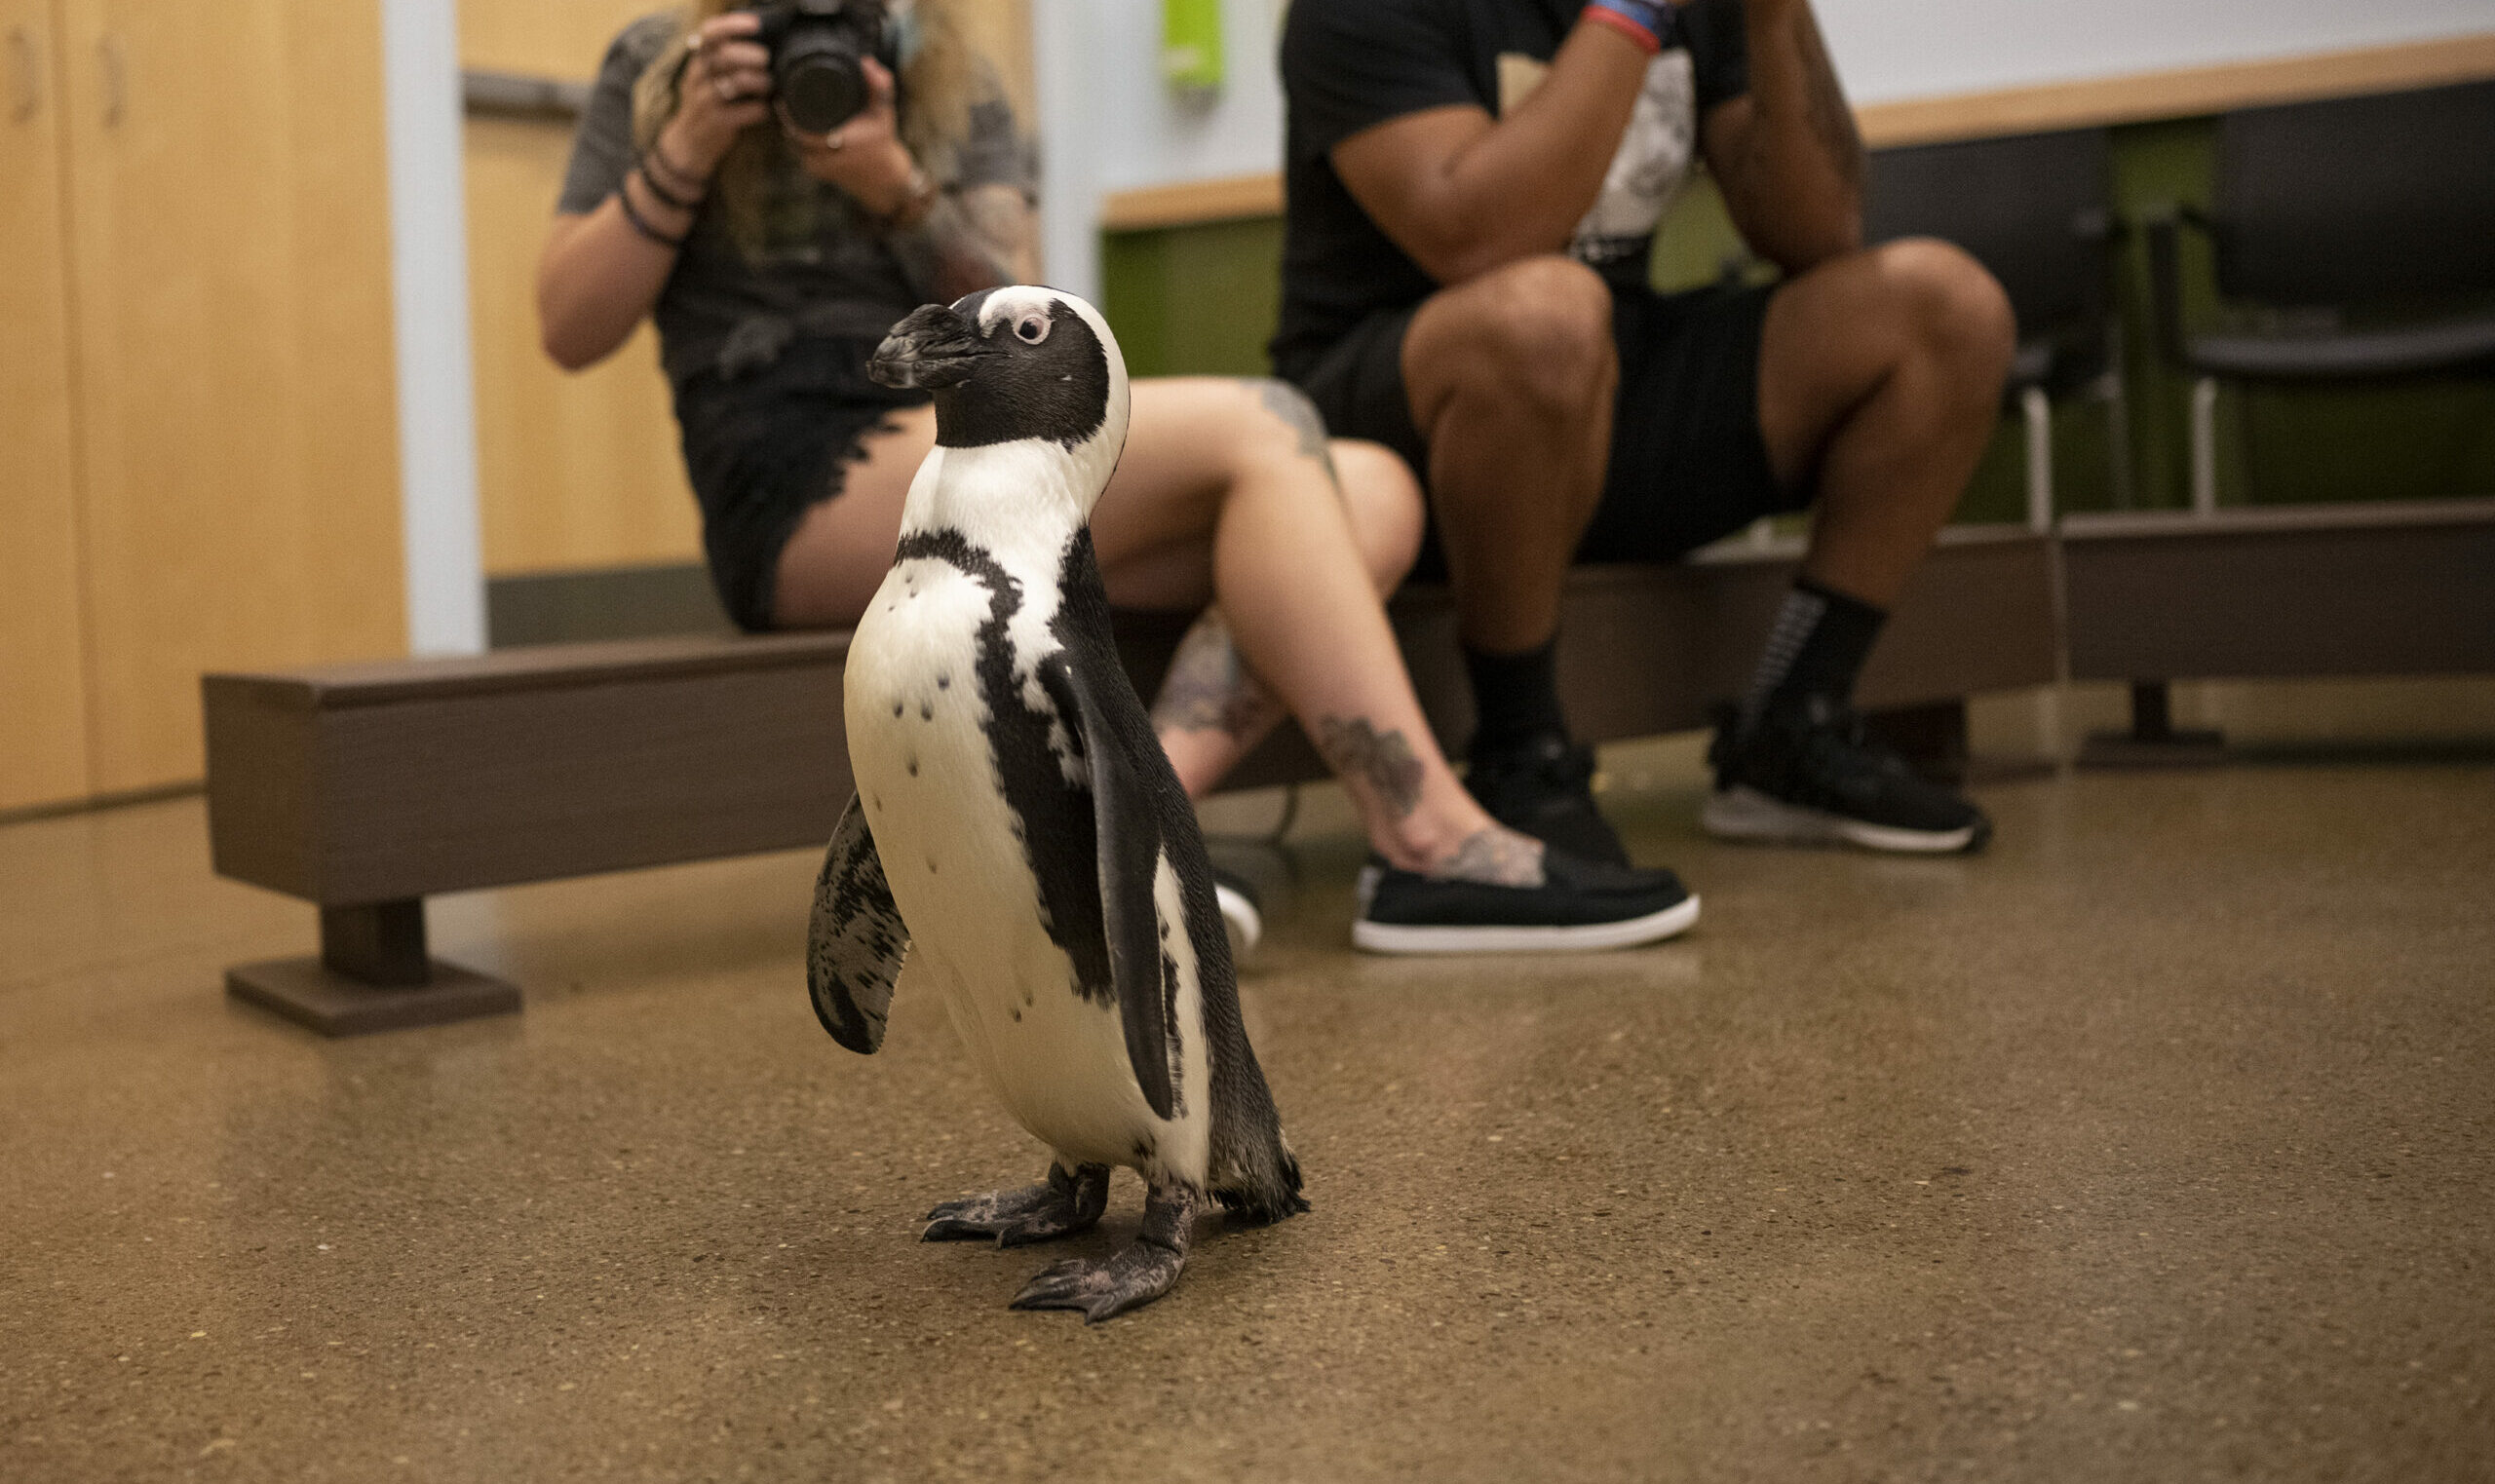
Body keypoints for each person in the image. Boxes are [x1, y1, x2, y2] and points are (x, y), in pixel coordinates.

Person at [536, 1, 1696, 952]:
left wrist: (894, 183)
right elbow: (568, 323)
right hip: (798, 478)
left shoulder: (944, 75)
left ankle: (1123, 834)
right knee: (1271, 429)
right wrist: (686, 142)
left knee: (1374, 488)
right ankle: (1430, 839)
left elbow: (1018, 310)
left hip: (979, 437)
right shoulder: (661, 65)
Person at [1275, 0, 2015, 859]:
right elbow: (1474, 241)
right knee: (1547, 317)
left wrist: (1774, 23)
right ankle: (1521, 752)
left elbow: (1817, 231)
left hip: (1601, 388)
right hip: (1385, 443)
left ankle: (1792, 721)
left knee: (1944, 311)